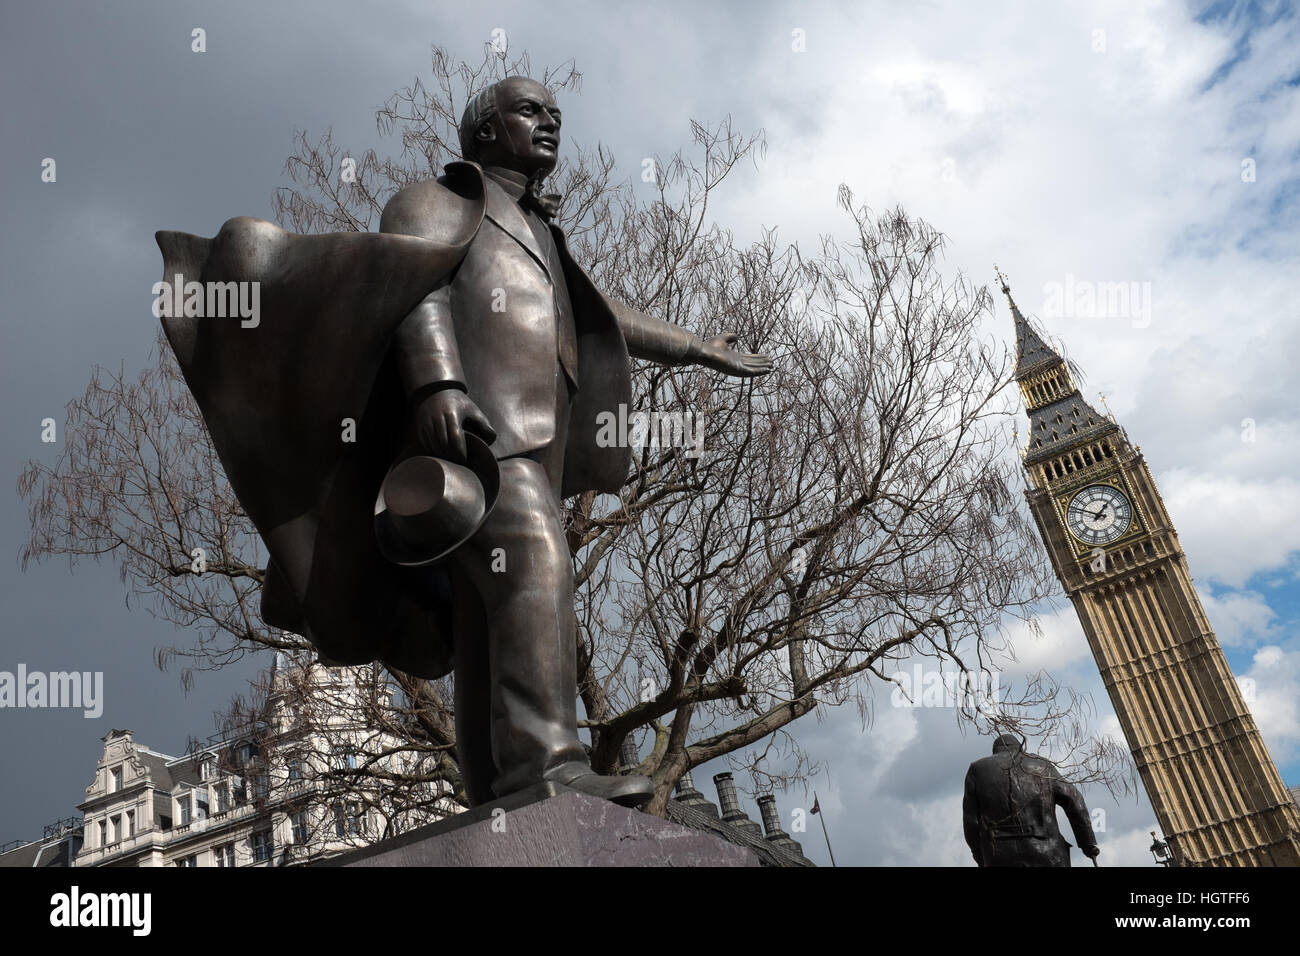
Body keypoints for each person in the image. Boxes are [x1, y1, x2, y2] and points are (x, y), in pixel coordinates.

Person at [963, 735, 1100, 866]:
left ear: (995, 752)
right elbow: (1074, 800)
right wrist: (1087, 843)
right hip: (1048, 852)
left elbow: (970, 822)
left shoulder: (977, 770)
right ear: (1020, 749)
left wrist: (980, 856)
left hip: (999, 856)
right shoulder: (1043, 766)